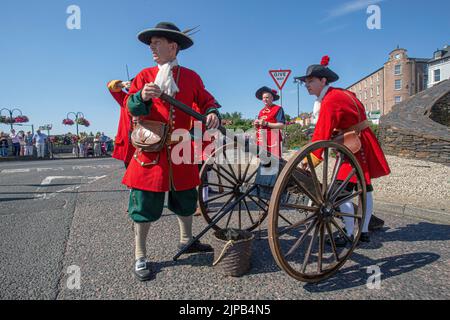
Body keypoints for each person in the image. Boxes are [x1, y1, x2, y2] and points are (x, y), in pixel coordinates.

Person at [122, 22, 221, 281]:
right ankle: (140, 255)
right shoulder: (144, 75)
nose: (152, 47)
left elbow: (207, 100)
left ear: (173, 46)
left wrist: (211, 112)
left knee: (186, 198)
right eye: (151, 43)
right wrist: (142, 96)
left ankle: (186, 241)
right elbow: (130, 106)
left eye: (157, 43)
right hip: (150, 151)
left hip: (181, 148)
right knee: (144, 204)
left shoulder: (191, 77)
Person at [298, 55, 391, 244]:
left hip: (354, 144)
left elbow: (321, 134)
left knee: (340, 192)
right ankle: (363, 231)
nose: (307, 85)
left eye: (311, 81)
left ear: (323, 80)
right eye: (306, 82)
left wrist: (310, 159)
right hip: (361, 139)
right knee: (364, 188)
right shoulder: (341, 93)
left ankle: (349, 234)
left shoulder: (330, 101)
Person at [107, 79, 136, 167]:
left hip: (145, 141)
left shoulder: (150, 99)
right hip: (129, 143)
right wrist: (123, 84)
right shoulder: (124, 98)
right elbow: (110, 86)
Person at [253, 86, 286, 159]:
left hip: (273, 140)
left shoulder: (278, 109)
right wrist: (256, 125)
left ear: (272, 98)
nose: (265, 99)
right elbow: (258, 128)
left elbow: (281, 125)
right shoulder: (261, 111)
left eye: (267, 97)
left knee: (275, 162)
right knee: (264, 162)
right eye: (263, 98)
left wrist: (266, 123)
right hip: (262, 140)